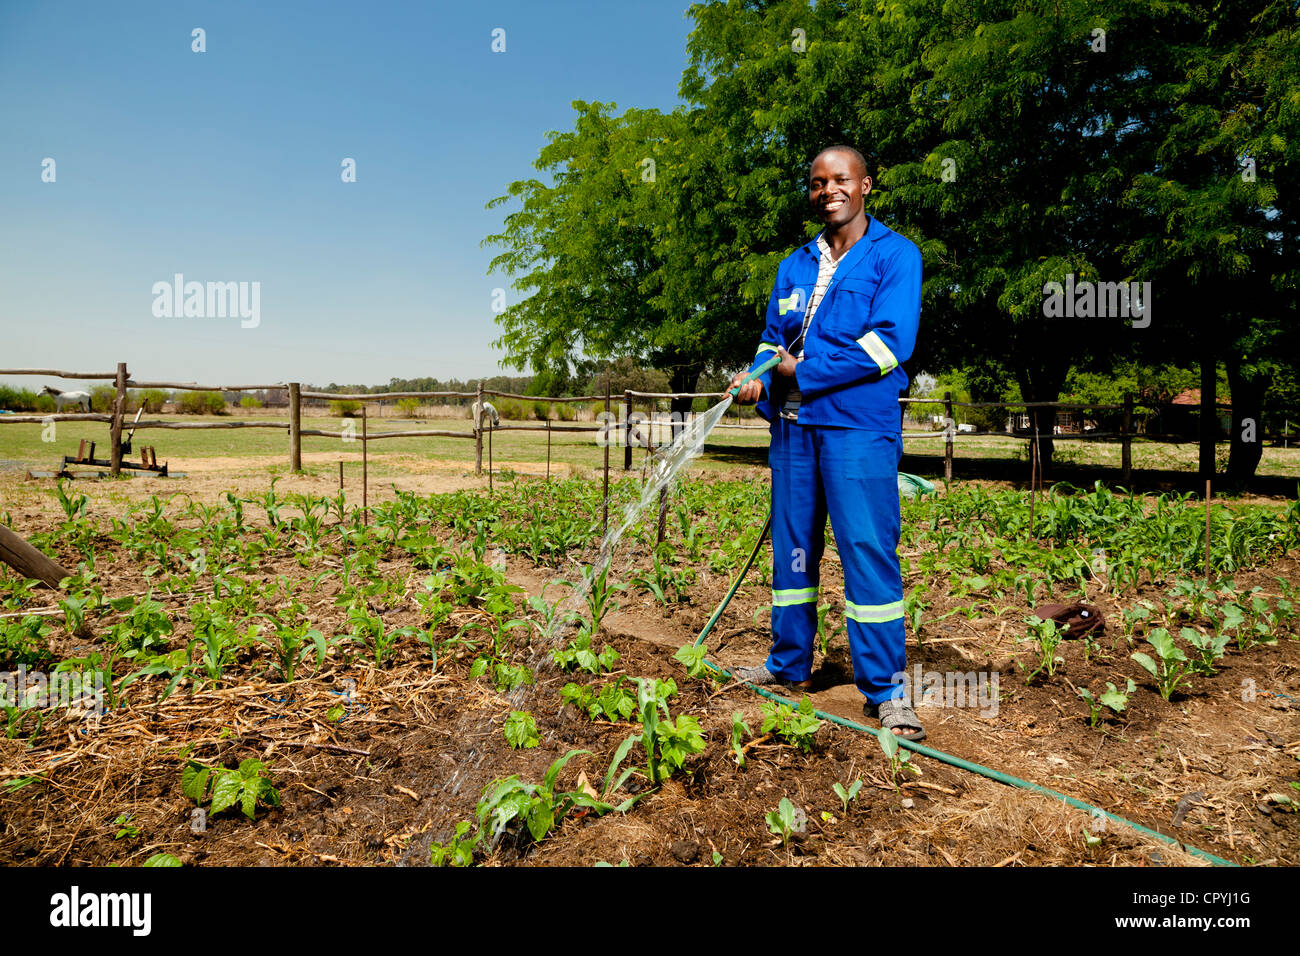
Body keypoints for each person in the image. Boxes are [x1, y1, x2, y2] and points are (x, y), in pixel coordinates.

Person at [729, 145, 925, 740]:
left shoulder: (896, 255)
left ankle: (887, 692)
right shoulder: (793, 265)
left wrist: (800, 373)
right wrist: (757, 377)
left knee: (866, 549)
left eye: (840, 179)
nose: (828, 190)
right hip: (791, 429)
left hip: (856, 429)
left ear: (866, 185)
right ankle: (787, 666)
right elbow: (772, 339)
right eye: (817, 182)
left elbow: (891, 343)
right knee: (792, 551)